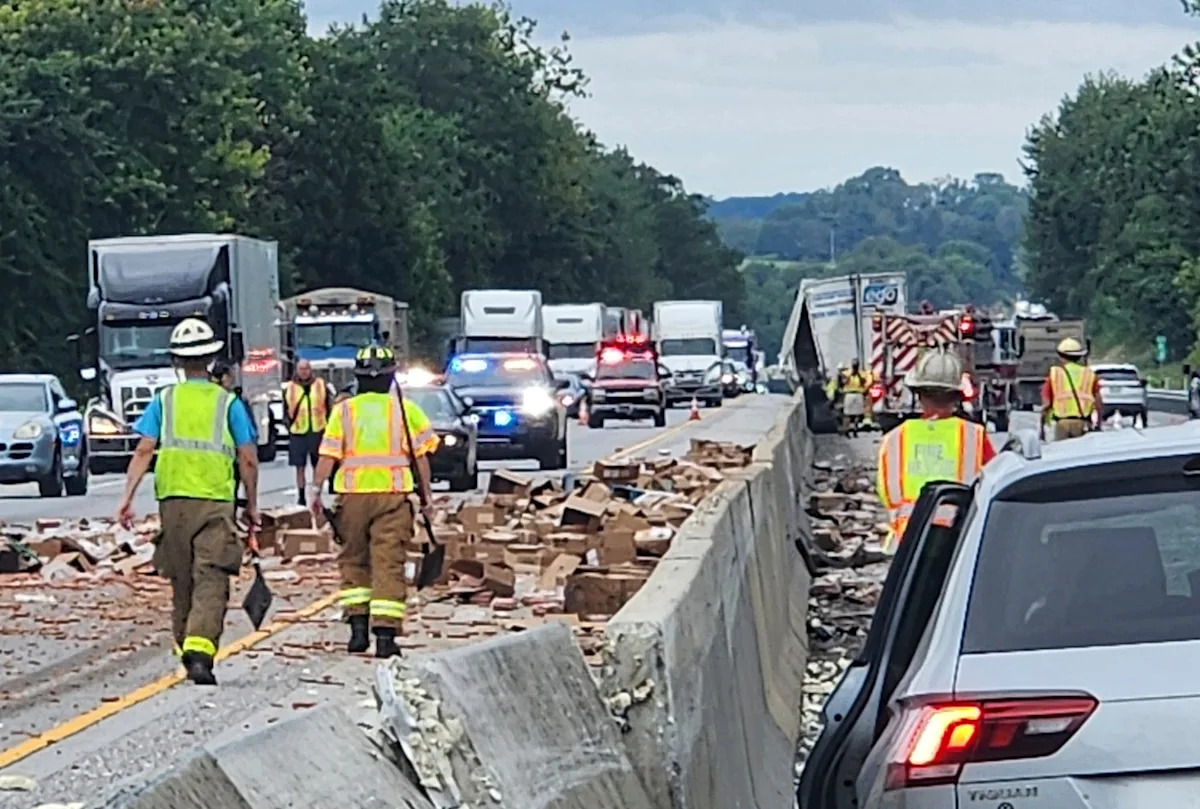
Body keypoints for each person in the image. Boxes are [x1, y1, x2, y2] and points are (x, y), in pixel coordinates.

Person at [115, 319, 260, 685]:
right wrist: (252, 504)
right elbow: (247, 458)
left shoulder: (164, 400)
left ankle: (187, 647)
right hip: (215, 502)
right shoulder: (228, 403)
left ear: (176, 361)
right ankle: (200, 652)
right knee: (211, 576)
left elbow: (144, 450)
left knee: (182, 579)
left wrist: (127, 498)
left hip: (173, 502)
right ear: (211, 359)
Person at [307, 345, 439, 658]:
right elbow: (421, 459)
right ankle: (385, 637)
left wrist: (315, 491)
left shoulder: (344, 411)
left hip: (351, 498)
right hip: (392, 498)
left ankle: (357, 630)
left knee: (354, 560)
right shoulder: (405, 411)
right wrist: (427, 498)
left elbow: (328, 456)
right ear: (391, 377)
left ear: (358, 377)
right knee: (388, 563)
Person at [877, 348, 995, 554]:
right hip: (957, 542)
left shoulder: (894, 439)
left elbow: (885, 494)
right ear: (957, 396)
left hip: (907, 546)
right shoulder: (974, 436)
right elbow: (994, 482)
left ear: (919, 394)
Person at [284, 359, 334, 505]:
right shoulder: (290, 387)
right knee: (299, 467)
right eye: (301, 369)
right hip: (298, 432)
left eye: (306, 368)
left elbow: (329, 406)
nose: (304, 372)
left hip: (317, 430)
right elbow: (285, 409)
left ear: (311, 370)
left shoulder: (321, 385)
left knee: (317, 466)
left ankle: (316, 495)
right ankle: (301, 497)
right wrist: (288, 425)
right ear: (296, 370)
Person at [1040, 337, 1101, 441]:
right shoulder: (1089, 374)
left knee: (1062, 450)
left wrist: (1042, 427)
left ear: (1060, 355)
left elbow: (1046, 404)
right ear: (1079, 356)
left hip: (1061, 425)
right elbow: (1098, 403)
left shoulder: (1055, 374)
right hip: (1083, 423)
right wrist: (1098, 424)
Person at [839, 359, 870, 437]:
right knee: (848, 414)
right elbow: (843, 382)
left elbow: (864, 382)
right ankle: (847, 430)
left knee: (857, 413)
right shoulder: (847, 373)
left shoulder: (862, 373)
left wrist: (858, 375)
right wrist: (850, 375)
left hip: (858, 393)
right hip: (849, 393)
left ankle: (855, 430)